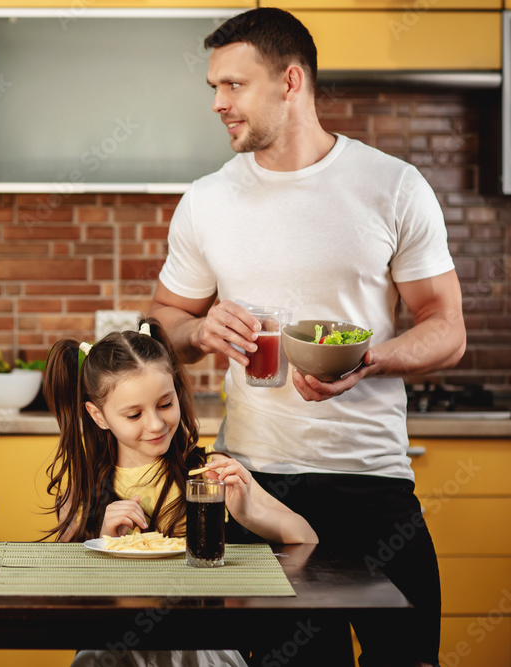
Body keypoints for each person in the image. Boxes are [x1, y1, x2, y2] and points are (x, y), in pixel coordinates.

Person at [148, 8, 466, 666]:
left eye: (234, 85)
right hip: (255, 487)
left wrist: (368, 360)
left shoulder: (392, 186)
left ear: (290, 81)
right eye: (214, 86)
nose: (217, 103)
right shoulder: (207, 200)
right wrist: (199, 327)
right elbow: (164, 322)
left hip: (372, 481)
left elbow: (446, 328)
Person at [43, 319, 317, 667]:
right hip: (114, 647)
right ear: (99, 416)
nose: (156, 424)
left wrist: (249, 513)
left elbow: (307, 539)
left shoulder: (211, 470)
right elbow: (64, 592)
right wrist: (101, 541)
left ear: (176, 391)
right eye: (134, 414)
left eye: (165, 404)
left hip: (203, 644)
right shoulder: (82, 489)